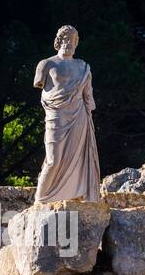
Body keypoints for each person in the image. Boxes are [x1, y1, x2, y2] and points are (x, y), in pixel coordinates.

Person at [33, 24, 100, 203]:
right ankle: (40, 199)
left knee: (77, 159)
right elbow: (42, 88)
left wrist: (89, 118)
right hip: (56, 115)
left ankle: (74, 195)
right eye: (66, 39)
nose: (69, 43)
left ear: (77, 43)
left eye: (73, 40)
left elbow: (89, 98)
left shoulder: (84, 67)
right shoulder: (46, 64)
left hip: (79, 116)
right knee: (53, 159)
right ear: (59, 41)